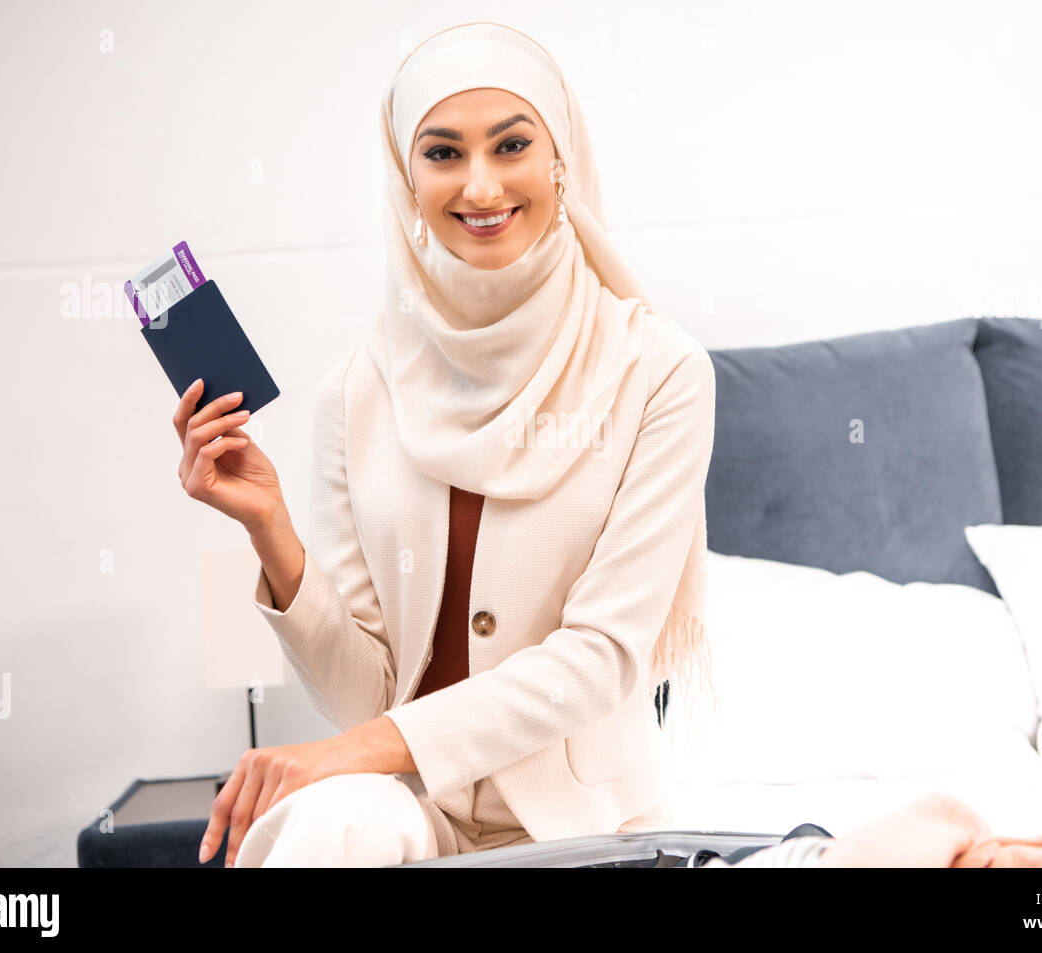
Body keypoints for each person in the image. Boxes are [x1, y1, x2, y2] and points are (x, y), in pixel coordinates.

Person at [171, 20, 716, 867]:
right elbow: (364, 695)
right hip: (415, 815)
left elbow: (600, 658)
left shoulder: (659, 372)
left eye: (511, 144)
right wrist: (270, 527)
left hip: (585, 830)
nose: (482, 183)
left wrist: (348, 755)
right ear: (406, 177)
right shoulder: (358, 391)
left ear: (560, 157)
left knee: (334, 792)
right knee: (328, 826)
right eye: (443, 153)